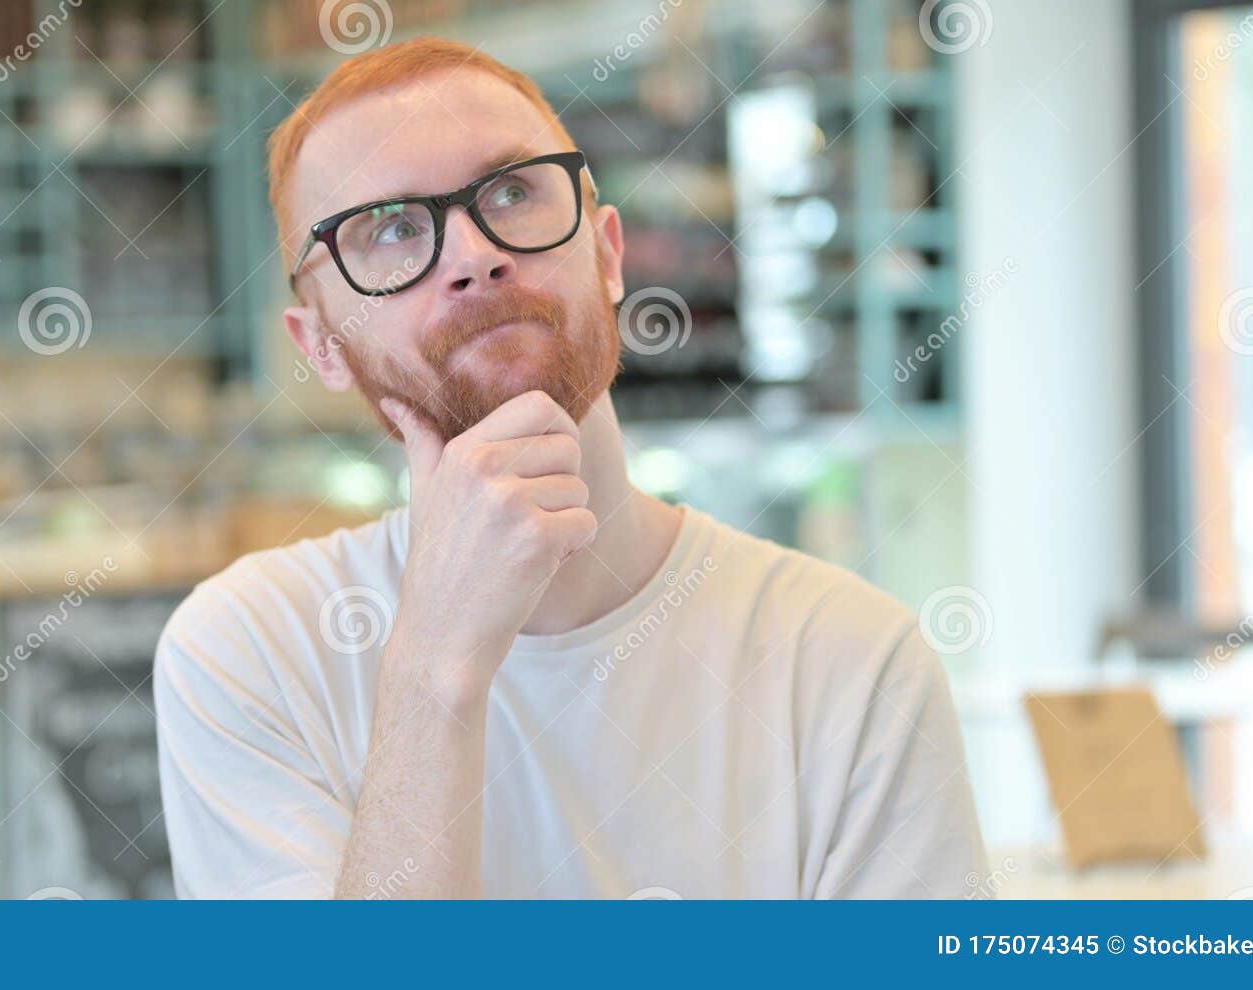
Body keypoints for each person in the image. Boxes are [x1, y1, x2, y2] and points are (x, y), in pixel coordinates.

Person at [154, 36, 987, 898]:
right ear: (321, 346)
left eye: (512, 192)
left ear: (608, 254)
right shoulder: (250, 655)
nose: (471, 254)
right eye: (392, 229)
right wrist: (434, 667)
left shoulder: (853, 661)